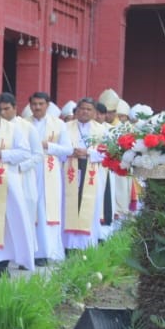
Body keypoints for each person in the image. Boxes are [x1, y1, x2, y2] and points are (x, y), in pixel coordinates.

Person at [0, 94, 38, 272]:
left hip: (16, 178)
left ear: (15, 108)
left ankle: (13, 257)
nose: (2, 112)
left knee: (14, 220)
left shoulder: (23, 128)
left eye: (6, 108)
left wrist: (3, 155)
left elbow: (32, 153)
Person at [27, 91, 70, 265]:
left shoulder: (59, 124)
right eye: (34, 104)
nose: (37, 107)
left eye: (41, 104)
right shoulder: (23, 124)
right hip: (28, 171)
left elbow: (68, 150)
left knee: (45, 210)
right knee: (29, 208)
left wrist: (48, 145)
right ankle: (28, 251)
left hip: (49, 172)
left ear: (47, 105)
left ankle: (45, 251)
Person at [63, 98, 108, 251]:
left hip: (92, 170)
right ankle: (68, 244)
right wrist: (70, 151)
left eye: (89, 109)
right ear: (77, 110)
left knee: (90, 205)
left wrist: (88, 152)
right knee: (68, 203)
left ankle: (87, 244)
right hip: (69, 168)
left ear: (94, 113)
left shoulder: (102, 130)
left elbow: (108, 153)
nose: (85, 112)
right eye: (82, 108)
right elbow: (59, 148)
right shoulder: (66, 127)